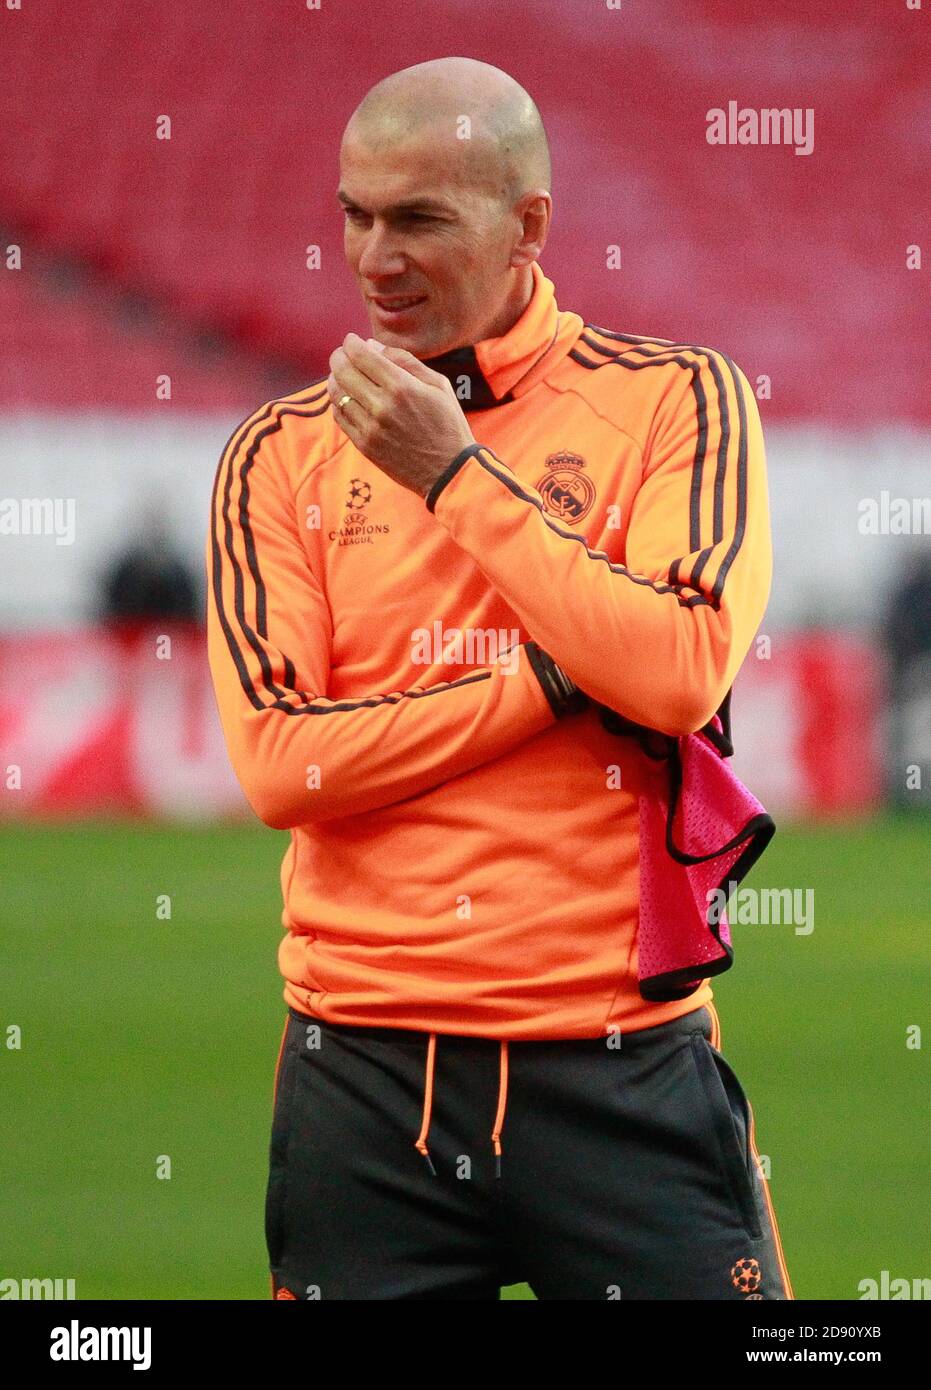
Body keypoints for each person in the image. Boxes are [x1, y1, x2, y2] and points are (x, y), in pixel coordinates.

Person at [205, 56, 794, 1301]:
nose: (374, 257)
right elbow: (279, 765)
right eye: (354, 215)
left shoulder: (681, 400)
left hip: (621, 1061)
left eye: (419, 218)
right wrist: (552, 676)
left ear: (528, 226)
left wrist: (454, 476)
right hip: (362, 1073)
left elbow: (678, 672)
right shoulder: (277, 451)